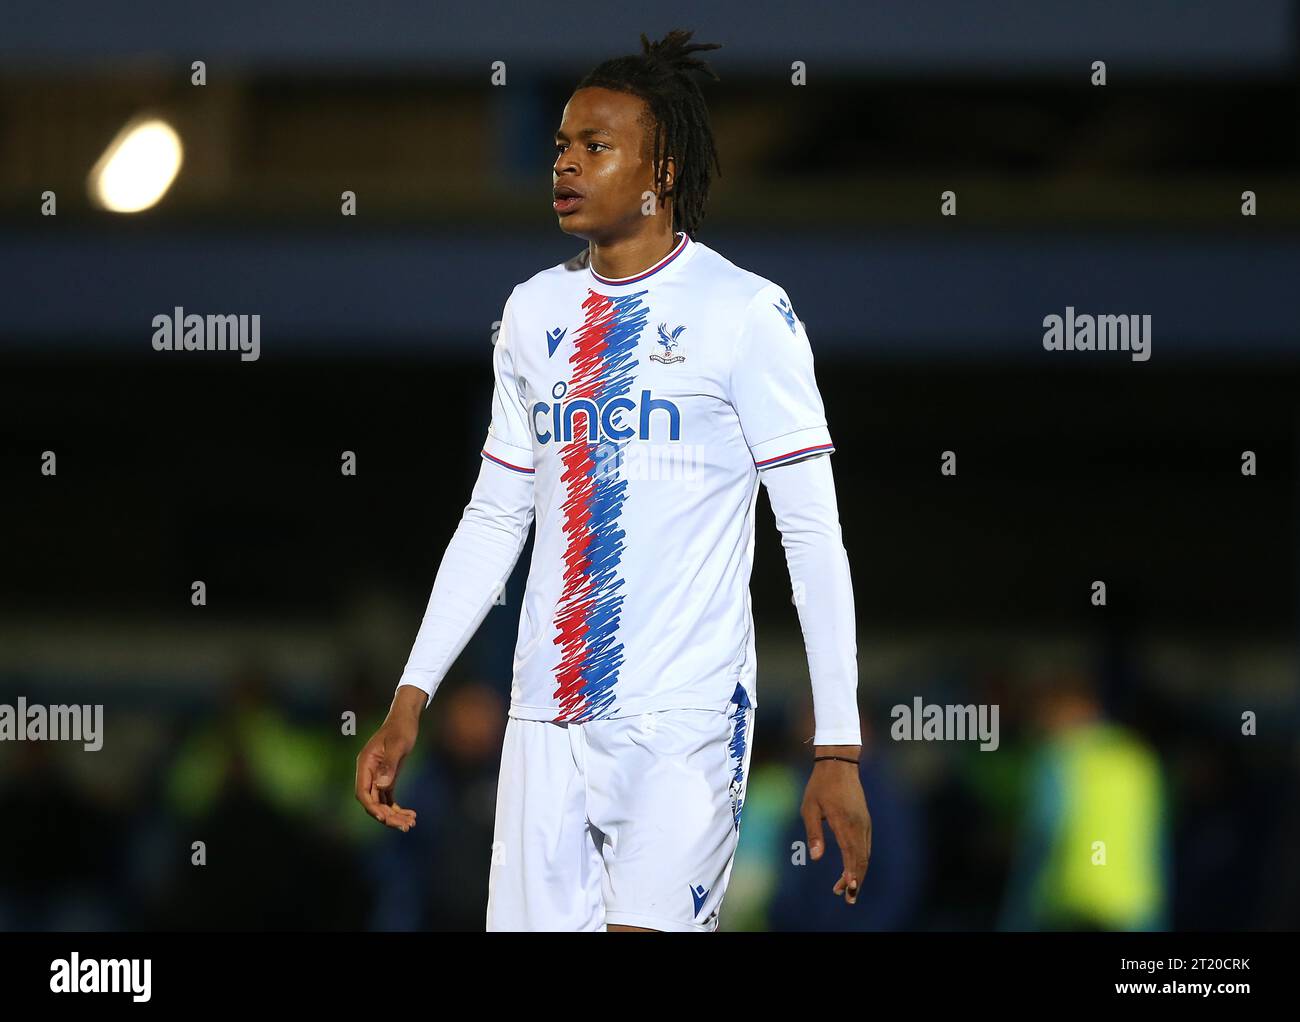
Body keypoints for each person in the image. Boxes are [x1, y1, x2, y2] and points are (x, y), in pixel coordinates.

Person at [355, 28, 869, 932]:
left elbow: (813, 534)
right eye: (560, 145)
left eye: (596, 146)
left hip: (683, 720)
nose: (565, 164)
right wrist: (412, 696)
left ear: (661, 169)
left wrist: (838, 745)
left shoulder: (746, 313)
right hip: (543, 722)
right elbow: (493, 517)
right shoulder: (531, 312)